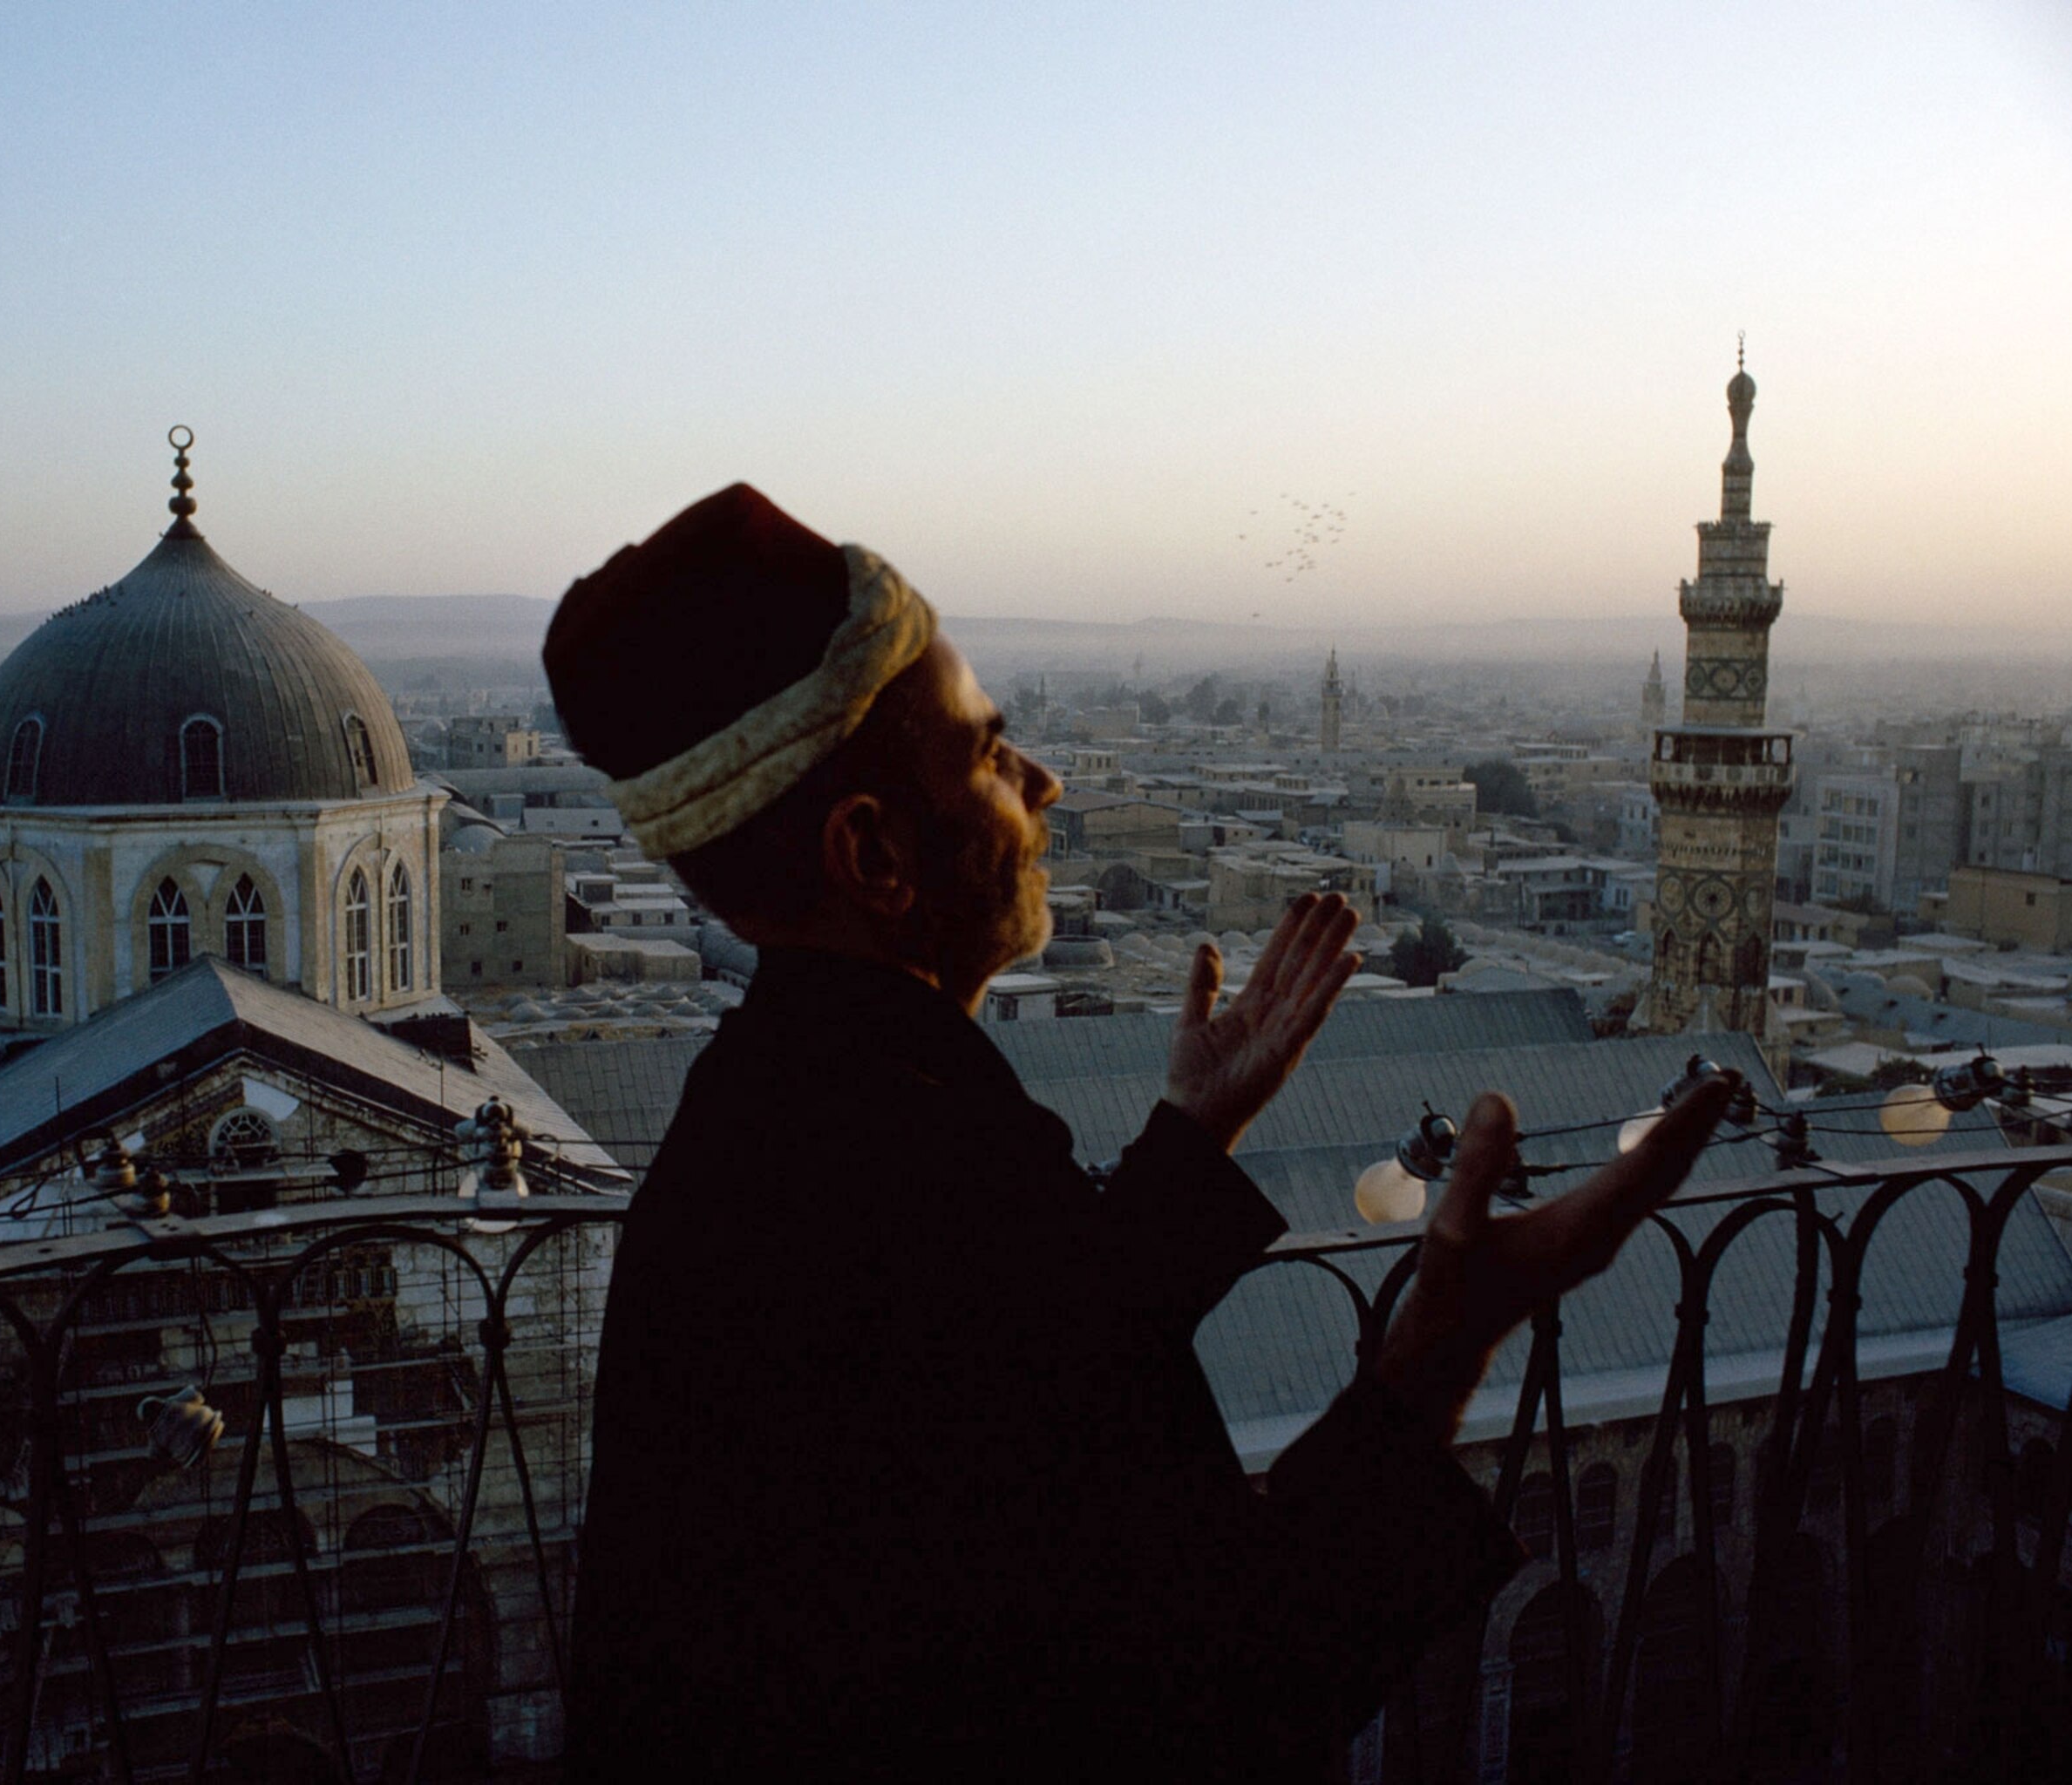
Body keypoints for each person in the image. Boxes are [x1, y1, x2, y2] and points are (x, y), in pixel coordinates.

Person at [544, 485, 1737, 1781]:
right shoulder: (932, 1173)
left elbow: (996, 1403)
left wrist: (1185, 1146)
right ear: (875, 855)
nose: (1041, 780)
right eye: (990, 755)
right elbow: (1227, 1681)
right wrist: (1450, 1332)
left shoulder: (768, 1123)